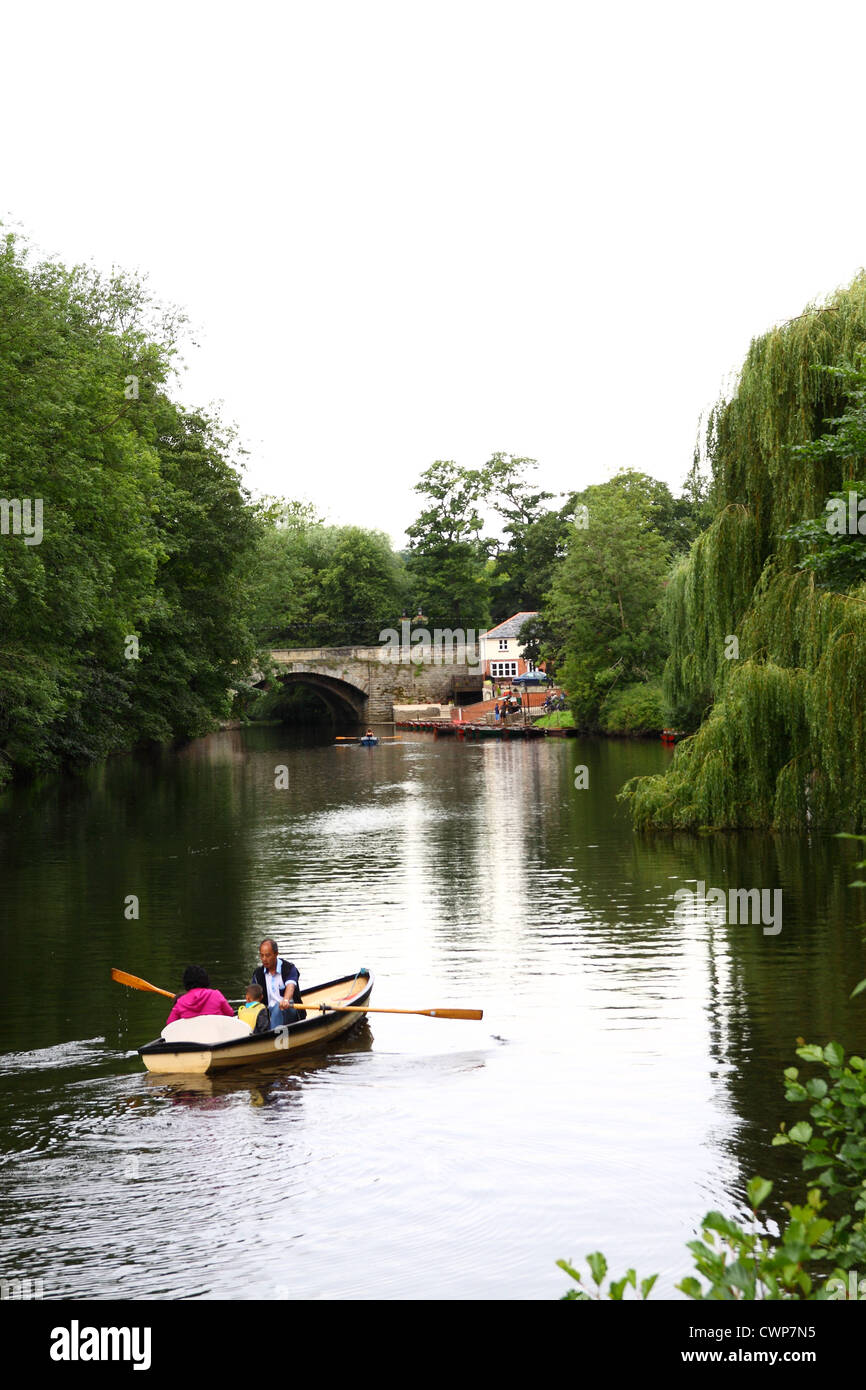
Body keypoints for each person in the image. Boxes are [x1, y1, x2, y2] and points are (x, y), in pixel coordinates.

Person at [252, 938, 306, 1028]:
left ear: (276, 954)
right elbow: (253, 996)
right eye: (262, 956)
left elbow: (290, 986)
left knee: (278, 1007)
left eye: (267, 955)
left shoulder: (289, 968)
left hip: (289, 1010)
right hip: (269, 1014)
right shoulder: (258, 974)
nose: (264, 959)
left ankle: (271, 1037)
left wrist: (286, 1000)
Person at [165, 966, 235, 1026]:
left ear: (186, 983)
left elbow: (170, 1025)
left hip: (191, 1039)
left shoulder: (180, 1002)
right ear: (205, 979)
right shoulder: (216, 994)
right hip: (217, 1036)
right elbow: (230, 1014)